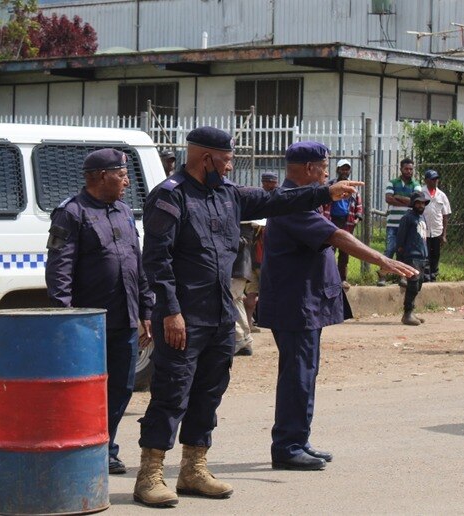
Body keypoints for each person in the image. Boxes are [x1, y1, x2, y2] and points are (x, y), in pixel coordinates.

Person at [135, 127, 360, 507]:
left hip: (221, 312)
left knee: (209, 390)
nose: (230, 166)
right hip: (183, 316)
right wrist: (170, 312)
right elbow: (156, 261)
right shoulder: (171, 197)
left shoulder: (228, 194)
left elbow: (276, 202)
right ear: (205, 158)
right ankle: (150, 473)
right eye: (226, 160)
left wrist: (326, 192)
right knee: (172, 392)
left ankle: (194, 467)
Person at [258, 142, 418, 472]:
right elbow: (335, 236)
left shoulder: (300, 198)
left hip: (304, 303)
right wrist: (380, 259)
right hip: (294, 304)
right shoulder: (292, 203)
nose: (328, 173)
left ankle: (298, 440)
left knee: (306, 372)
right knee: (297, 375)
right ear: (307, 169)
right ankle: (287, 445)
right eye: (324, 167)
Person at [45, 148, 155, 475]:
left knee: (120, 387)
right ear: (101, 176)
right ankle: (85, 447)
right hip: (87, 323)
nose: (127, 182)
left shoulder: (123, 211)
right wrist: (65, 318)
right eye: (121, 175)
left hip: (125, 318)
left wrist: (146, 309)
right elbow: (59, 269)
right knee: (86, 389)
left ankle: (106, 446)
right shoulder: (71, 213)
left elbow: (138, 263)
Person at [244, 172, 280, 327]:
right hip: (264, 259)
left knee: (253, 293)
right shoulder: (277, 204)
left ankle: (249, 324)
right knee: (265, 293)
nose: (270, 186)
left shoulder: (256, 203)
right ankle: (262, 322)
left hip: (253, 259)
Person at [382, 158, 421, 285]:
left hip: (408, 225)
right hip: (393, 224)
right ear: (401, 169)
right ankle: (383, 275)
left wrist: (398, 197)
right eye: (406, 169)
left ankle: (403, 277)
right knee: (390, 249)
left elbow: (416, 202)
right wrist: (408, 200)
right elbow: (388, 199)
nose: (409, 171)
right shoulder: (392, 182)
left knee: (405, 251)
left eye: (411, 169)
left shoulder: (416, 184)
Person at [328, 159, 363, 287]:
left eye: (347, 169)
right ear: (338, 170)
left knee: (345, 251)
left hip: (347, 222)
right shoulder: (331, 185)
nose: (344, 171)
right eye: (342, 169)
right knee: (329, 250)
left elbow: (358, 204)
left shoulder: (353, 188)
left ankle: (342, 279)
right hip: (332, 221)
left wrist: (357, 218)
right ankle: (329, 278)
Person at [397, 191, 429, 325]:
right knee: (413, 284)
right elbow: (400, 239)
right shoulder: (407, 218)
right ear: (413, 204)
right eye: (418, 203)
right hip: (411, 256)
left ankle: (412, 311)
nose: (421, 206)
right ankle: (407, 313)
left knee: (418, 284)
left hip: (422, 256)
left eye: (423, 203)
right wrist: (401, 258)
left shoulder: (422, 218)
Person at [421, 169, 451, 282]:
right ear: (426, 180)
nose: (435, 182)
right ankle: (426, 275)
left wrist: (444, 234)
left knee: (435, 254)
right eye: (432, 179)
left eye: (436, 179)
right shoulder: (421, 192)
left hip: (437, 230)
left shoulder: (441, 195)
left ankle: (434, 274)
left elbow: (445, 215)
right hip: (424, 230)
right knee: (425, 253)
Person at [231, 222, 255, 356]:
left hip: (237, 270)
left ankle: (240, 338)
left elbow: (240, 243)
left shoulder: (245, 229)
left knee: (228, 300)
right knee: (236, 300)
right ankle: (245, 339)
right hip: (236, 270)